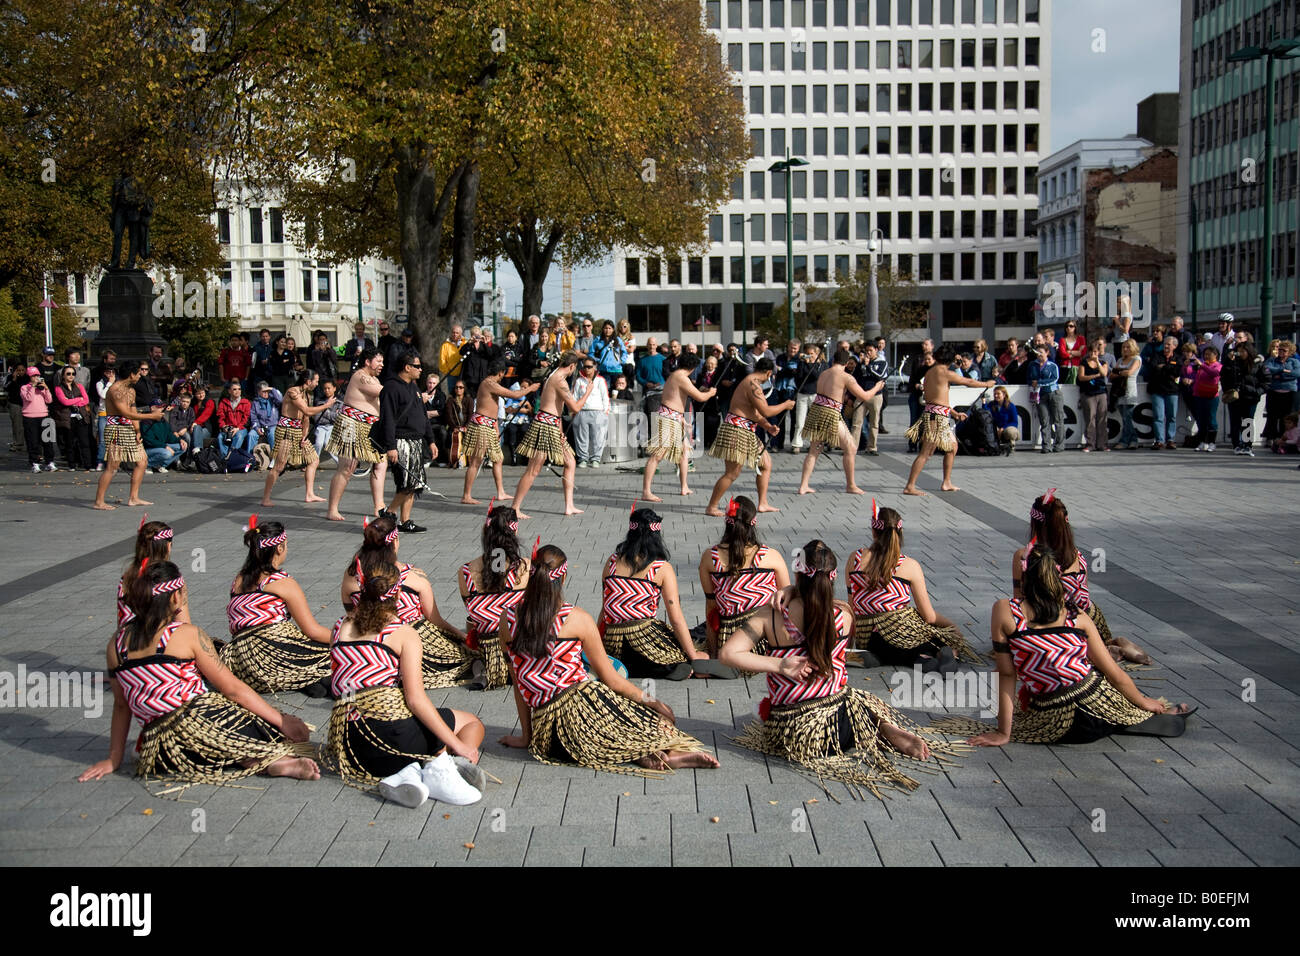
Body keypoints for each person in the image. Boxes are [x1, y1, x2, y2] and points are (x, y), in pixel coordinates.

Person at [723, 539, 958, 797]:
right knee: (859, 700)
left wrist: (780, 664)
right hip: (838, 725)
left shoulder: (771, 615)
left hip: (795, 734)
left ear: (798, 574)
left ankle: (876, 729)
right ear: (832, 578)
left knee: (847, 701)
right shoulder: (844, 614)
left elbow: (728, 654)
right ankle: (877, 727)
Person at [79, 560, 319, 787]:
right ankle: (271, 761)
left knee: (213, 747)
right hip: (201, 719)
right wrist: (280, 720)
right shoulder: (186, 635)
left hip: (162, 749)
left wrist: (114, 758)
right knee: (274, 733)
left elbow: (122, 706)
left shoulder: (116, 643)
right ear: (175, 597)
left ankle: (264, 762)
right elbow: (233, 690)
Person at [942, 544, 1192, 747]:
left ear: (1026, 576)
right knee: (1097, 684)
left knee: (1023, 705)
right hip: (1096, 711)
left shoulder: (1006, 610)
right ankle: (1131, 716)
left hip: (1054, 723)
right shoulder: (1077, 616)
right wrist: (1144, 701)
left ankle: (1130, 715)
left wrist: (1003, 732)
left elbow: (1006, 673)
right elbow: (1115, 675)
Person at [498, 544, 718, 774]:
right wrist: (651, 700)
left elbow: (518, 683)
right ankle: (655, 753)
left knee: (592, 737)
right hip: (582, 701)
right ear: (562, 578)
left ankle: (647, 754)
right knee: (651, 721)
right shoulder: (576, 618)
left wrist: (526, 737)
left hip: (548, 729)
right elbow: (611, 679)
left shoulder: (507, 619)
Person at [324, 561, 485, 806]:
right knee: (472, 723)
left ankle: (408, 774)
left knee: (407, 725)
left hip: (350, 744)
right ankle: (443, 767)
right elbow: (415, 700)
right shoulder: (402, 632)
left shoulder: (340, 625)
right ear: (398, 593)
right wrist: (456, 745)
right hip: (390, 738)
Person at [1011, 490, 1152, 666]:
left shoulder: (1024, 556)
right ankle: (1105, 644)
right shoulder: (1077, 554)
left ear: (1035, 524)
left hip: (1057, 620)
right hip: (1090, 619)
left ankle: (1103, 649)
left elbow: (1019, 598)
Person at [340, 515, 476, 688]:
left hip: (369, 642)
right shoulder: (413, 578)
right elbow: (436, 620)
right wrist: (461, 635)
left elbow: (350, 612)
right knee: (467, 657)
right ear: (394, 542)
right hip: (418, 642)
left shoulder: (352, 575)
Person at [848, 503, 979, 671]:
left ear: (874, 532)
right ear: (900, 533)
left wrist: (850, 640)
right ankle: (939, 656)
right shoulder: (909, 565)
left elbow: (853, 606)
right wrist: (951, 626)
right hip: (898, 633)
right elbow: (929, 617)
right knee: (935, 639)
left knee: (887, 649)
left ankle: (875, 657)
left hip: (867, 638)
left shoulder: (854, 558)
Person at [221, 518, 333, 694]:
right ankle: (311, 677)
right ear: (280, 548)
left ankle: (305, 680)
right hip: (273, 649)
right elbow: (312, 630)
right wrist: (345, 639)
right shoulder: (281, 582)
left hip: (242, 662)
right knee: (335, 651)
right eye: (286, 545)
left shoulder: (239, 580)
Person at [601, 506, 710, 679]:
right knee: (680, 644)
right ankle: (671, 667)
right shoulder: (661, 568)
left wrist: (599, 645)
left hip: (613, 639)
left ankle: (631, 667)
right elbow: (675, 618)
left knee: (673, 637)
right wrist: (693, 655)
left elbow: (605, 608)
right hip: (643, 636)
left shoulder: (612, 561)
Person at [698, 496, 790, 657]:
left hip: (729, 640)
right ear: (754, 522)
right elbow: (787, 601)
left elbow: (711, 609)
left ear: (727, 522)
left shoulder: (710, 557)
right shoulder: (770, 556)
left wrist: (713, 652)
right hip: (766, 639)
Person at [703, 358, 793, 516]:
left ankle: (763, 503)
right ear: (769, 373)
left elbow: (755, 413)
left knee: (766, 464)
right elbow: (766, 411)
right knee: (732, 473)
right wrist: (785, 405)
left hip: (745, 430)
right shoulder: (753, 385)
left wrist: (768, 427)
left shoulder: (750, 383)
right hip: (736, 431)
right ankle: (712, 506)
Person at [510, 350, 593, 519]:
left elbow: (558, 407)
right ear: (571, 366)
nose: (573, 372)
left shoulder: (554, 374)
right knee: (533, 469)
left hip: (552, 425)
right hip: (545, 426)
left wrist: (560, 431)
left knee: (570, 461)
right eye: (574, 369)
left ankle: (569, 505)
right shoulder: (560, 381)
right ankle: (514, 508)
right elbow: (575, 408)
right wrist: (588, 391)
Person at [903, 346, 995, 495]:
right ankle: (910, 486)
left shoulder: (930, 373)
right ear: (950, 359)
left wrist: (953, 412)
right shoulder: (944, 372)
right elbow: (967, 382)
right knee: (926, 453)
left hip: (938, 414)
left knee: (952, 447)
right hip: (935, 418)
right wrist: (986, 384)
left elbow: (933, 398)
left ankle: (946, 482)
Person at [459, 503, 530, 689]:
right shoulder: (528, 568)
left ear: (486, 530)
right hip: (522, 660)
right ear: (513, 533)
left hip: (491, 661)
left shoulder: (465, 572)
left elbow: (475, 616)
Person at [797, 348, 883, 497]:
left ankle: (803, 485)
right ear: (846, 362)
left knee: (813, 451)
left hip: (816, 411)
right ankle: (851, 485)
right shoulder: (846, 377)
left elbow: (831, 394)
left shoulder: (824, 373)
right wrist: (877, 387)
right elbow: (865, 395)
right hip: (830, 414)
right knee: (851, 447)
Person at [372, 348, 437, 533]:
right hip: (401, 441)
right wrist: (391, 446)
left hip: (416, 441)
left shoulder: (414, 388)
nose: (421, 369)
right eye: (417, 366)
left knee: (415, 484)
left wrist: (430, 440)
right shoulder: (391, 388)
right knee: (407, 482)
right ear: (407, 367)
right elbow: (388, 419)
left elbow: (423, 416)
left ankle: (405, 520)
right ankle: (389, 513)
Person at [325, 347, 388, 521]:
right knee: (347, 467)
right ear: (367, 361)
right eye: (379, 361)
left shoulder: (373, 378)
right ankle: (332, 509)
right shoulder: (360, 376)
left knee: (381, 463)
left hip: (370, 428)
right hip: (351, 424)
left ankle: (379, 506)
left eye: (382, 361)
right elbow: (385, 393)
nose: (382, 365)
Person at [641, 352, 715, 501]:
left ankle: (684, 487)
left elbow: (675, 398)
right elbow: (699, 397)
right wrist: (711, 392)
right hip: (668, 419)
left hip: (673, 417)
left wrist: (680, 418)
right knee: (657, 455)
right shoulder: (682, 377)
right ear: (693, 367)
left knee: (683, 453)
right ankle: (646, 492)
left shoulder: (675, 376)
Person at [93, 361, 166, 510]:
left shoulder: (131, 390)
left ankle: (134, 497)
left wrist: (138, 430)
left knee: (142, 462)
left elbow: (132, 412)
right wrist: (152, 416)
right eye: (138, 373)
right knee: (112, 467)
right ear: (132, 374)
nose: (140, 375)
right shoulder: (115, 390)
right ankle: (99, 501)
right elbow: (124, 413)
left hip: (129, 428)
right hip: (116, 429)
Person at [461, 360, 536, 502]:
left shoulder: (491, 384)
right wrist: (530, 388)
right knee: (476, 461)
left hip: (489, 425)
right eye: (503, 374)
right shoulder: (489, 384)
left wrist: (495, 426)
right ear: (500, 372)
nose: (503, 376)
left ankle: (501, 492)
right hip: (481, 426)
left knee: (498, 459)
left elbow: (492, 406)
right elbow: (513, 395)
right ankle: (466, 495)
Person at [260, 371, 335, 506]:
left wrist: (304, 435)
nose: (317, 383)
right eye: (316, 381)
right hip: (286, 431)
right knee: (279, 466)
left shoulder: (307, 395)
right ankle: (266, 498)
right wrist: (326, 405)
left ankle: (310, 494)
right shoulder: (292, 392)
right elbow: (306, 410)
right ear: (308, 381)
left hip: (298, 431)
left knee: (313, 460)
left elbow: (305, 418)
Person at [1222, 344, 1265, 456]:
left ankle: (1247, 445)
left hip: (1250, 397)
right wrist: (1229, 362)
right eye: (1239, 351)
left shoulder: (1258, 364)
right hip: (1235, 397)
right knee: (1235, 422)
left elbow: (1266, 381)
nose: (1240, 354)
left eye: (1243, 351)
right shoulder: (1234, 362)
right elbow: (1224, 376)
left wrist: (1257, 392)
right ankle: (1236, 444)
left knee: (1248, 421)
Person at [52, 364, 95, 470]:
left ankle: (87, 464)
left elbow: (86, 400)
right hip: (67, 418)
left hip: (81, 416)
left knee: (84, 442)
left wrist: (76, 401)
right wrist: (78, 399)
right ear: (63, 375)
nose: (71, 376)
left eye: (73, 374)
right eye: (68, 374)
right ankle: (72, 464)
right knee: (70, 442)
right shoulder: (58, 388)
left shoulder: (79, 386)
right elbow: (64, 402)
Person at [572, 357, 610, 468]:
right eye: (585, 366)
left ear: (594, 367)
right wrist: (575, 411)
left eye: (589, 367)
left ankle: (595, 459)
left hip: (598, 412)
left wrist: (605, 413)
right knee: (581, 437)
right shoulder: (579, 381)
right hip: (582, 412)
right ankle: (583, 458)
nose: (587, 369)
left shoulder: (600, 380)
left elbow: (605, 398)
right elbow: (574, 397)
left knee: (598, 437)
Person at [789, 343, 826, 454]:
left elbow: (816, 376)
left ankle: (814, 443)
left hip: (815, 394)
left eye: (812, 354)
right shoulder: (802, 363)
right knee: (800, 421)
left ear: (816, 354)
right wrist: (803, 363)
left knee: (814, 421)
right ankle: (797, 444)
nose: (809, 356)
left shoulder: (821, 364)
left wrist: (810, 364)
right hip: (803, 394)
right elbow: (798, 377)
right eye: (807, 354)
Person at [20, 366, 58, 472]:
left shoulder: (41, 387)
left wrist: (46, 388)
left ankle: (50, 462)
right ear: (29, 377)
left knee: (48, 441)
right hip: (29, 417)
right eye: (33, 376)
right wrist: (32, 386)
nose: (36, 378)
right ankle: (34, 463)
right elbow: (29, 398)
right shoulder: (24, 387)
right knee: (33, 442)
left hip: (44, 415)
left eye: (37, 375)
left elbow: (49, 400)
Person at [1147, 335, 1182, 450]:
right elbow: (1153, 368)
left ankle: (1170, 440)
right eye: (1165, 344)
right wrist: (1168, 369)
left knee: (1171, 416)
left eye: (1168, 344)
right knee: (1158, 416)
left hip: (1172, 390)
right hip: (1158, 390)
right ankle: (1159, 440)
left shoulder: (1177, 358)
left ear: (1174, 346)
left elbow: (1177, 372)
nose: (1166, 346)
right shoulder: (1156, 356)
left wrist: (1163, 367)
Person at [1026, 344, 1063, 453]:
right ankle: (1046, 445)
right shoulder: (1032, 365)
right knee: (1044, 421)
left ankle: (1059, 445)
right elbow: (1029, 378)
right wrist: (1032, 383)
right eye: (1037, 353)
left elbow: (1055, 379)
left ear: (1047, 353)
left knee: (1058, 420)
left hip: (1053, 393)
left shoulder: (1052, 365)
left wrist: (1039, 383)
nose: (1039, 355)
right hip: (1040, 395)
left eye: (1041, 352)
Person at [1076, 338, 1111, 453]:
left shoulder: (1103, 362)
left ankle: (1102, 444)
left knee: (1102, 418)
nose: (1093, 354)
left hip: (1101, 393)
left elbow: (1104, 373)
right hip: (1088, 393)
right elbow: (1081, 377)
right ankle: (1090, 443)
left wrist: (1097, 362)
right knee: (1090, 418)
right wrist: (1093, 377)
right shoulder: (1084, 363)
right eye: (1091, 352)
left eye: (1095, 352)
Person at [1263, 340, 1299, 443]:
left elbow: (1296, 373)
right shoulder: (1272, 360)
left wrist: (1279, 375)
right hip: (1274, 391)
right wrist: (1282, 371)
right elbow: (1267, 369)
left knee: (1287, 416)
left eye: (1284, 350)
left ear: (1290, 352)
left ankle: (1284, 438)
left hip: (1289, 392)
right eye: (1280, 349)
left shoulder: (1294, 362)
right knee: (1272, 416)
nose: (1281, 352)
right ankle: (1271, 438)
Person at [1110, 339, 1142, 450]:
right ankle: (1133, 440)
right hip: (1119, 391)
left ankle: (1125, 441)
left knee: (1128, 417)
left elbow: (1129, 372)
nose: (1125, 349)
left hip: (1129, 390)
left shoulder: (1136, 359)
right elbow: (1112, 375)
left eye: (1128, 347)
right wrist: (1120, 373)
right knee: (1124, 418)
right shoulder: (1120, 360)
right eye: (1124, 347)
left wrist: (1118, 372)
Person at [904, 349, 934, 451]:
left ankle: (922, 444)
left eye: (929, 359)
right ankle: (912, 444)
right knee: (914, 421)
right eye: (925, 359)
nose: (927, 361)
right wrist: (917, 386)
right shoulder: (920, 369)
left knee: (925, 422)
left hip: (929, 398)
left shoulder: (936, 370)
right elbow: (912, 382)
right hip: (916, 396)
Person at [216, 381, 253, 457]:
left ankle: (231, 456)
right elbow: (220, 417)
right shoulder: (223, 402)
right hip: (228, 427)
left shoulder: (246, 402)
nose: (237, 391)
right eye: (235, 389)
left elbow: (246, 419)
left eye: (239, 389)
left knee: (238, 436)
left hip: (241, 428)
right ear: (229, 391)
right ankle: (224, 458)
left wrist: (238, 428)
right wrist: (223, 426)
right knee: (220, 437)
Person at [248, 381, 281, 455]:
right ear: (259, 392)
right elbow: (254, 418)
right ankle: (249, 457)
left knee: (272, 435)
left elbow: (280, 399)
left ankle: (274, 457)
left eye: (267, 391)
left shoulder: (273, 400)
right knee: (251, 435)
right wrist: (257, 428)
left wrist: (272, 389)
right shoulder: (255, 403)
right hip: (261, 426)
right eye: (263, 391)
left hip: (273, 425)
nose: (266, 393)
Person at [312, 378, 341, 460]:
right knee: (318, 444)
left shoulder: (339, 402)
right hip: (320, 426)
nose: (327, 390)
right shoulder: (319, 401)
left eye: (329, 388)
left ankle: (340, 464)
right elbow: (317, 418)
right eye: (325, 388)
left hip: (332, 427)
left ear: (334, 388)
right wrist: (331, 415)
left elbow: (337, 418)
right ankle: (313, 461)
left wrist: (324, 411)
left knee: (328, 444)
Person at [987, 386, 1020, 451]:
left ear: (1004, 394)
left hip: (1006, 428)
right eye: (994, 394)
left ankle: (1011, 445)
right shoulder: (991, 404)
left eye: (998, 394)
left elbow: (1014, 422)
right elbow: (985, 413)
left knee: (1011, 432)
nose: (996, 396)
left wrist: (1003, 428)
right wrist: (983, 402)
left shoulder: (1011, 406)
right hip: (996, 427)